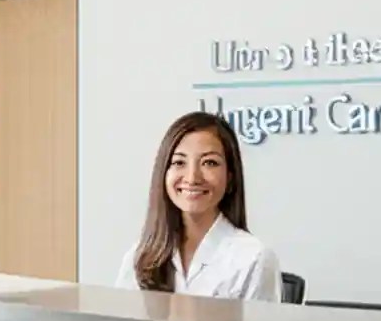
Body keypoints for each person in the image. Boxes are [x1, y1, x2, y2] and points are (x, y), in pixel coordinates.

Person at [112, 111, 282, 301]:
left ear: (231, 177)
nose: (192, 177)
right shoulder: (139, 257)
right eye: (179, 162)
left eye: (209, 163)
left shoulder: (254, 259)